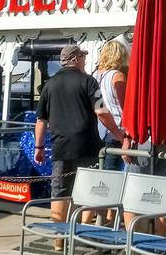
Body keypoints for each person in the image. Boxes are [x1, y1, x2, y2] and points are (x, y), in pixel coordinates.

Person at [32, 44, 125, 235]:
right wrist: (117, 132)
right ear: (75, 59)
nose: (84, 59)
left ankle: (59, 237)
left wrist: (38, 147)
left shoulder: (49, 85)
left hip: (60, 147)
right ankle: (83, 233)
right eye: (82, 56)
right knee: (89, 191)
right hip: (88, 146)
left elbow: (41, 120)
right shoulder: (89, 82)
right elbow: (101, 111)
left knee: (59, 192)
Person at [92, 40, 129, 172]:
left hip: (103, 130)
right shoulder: (117, 76)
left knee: (107, 174)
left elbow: (99, 107)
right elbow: (126, 107)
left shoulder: (95, 76)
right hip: (120, 130)